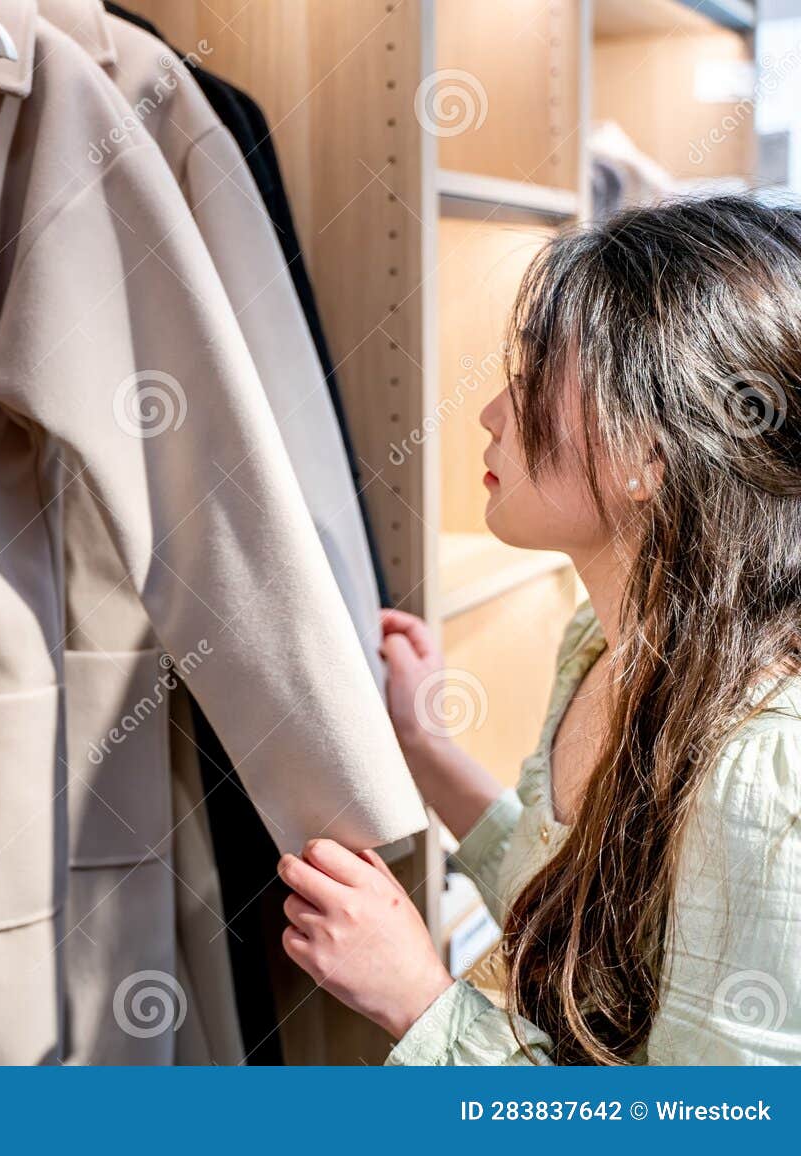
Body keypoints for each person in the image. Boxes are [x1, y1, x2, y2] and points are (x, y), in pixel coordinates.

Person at [278, 196, 801, 1065]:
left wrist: (419, 999)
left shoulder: (765, 778)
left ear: (646, 455)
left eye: (535, 377)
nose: (490, 412)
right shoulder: (601, 644)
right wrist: (427, 750)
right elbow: (588, 912)